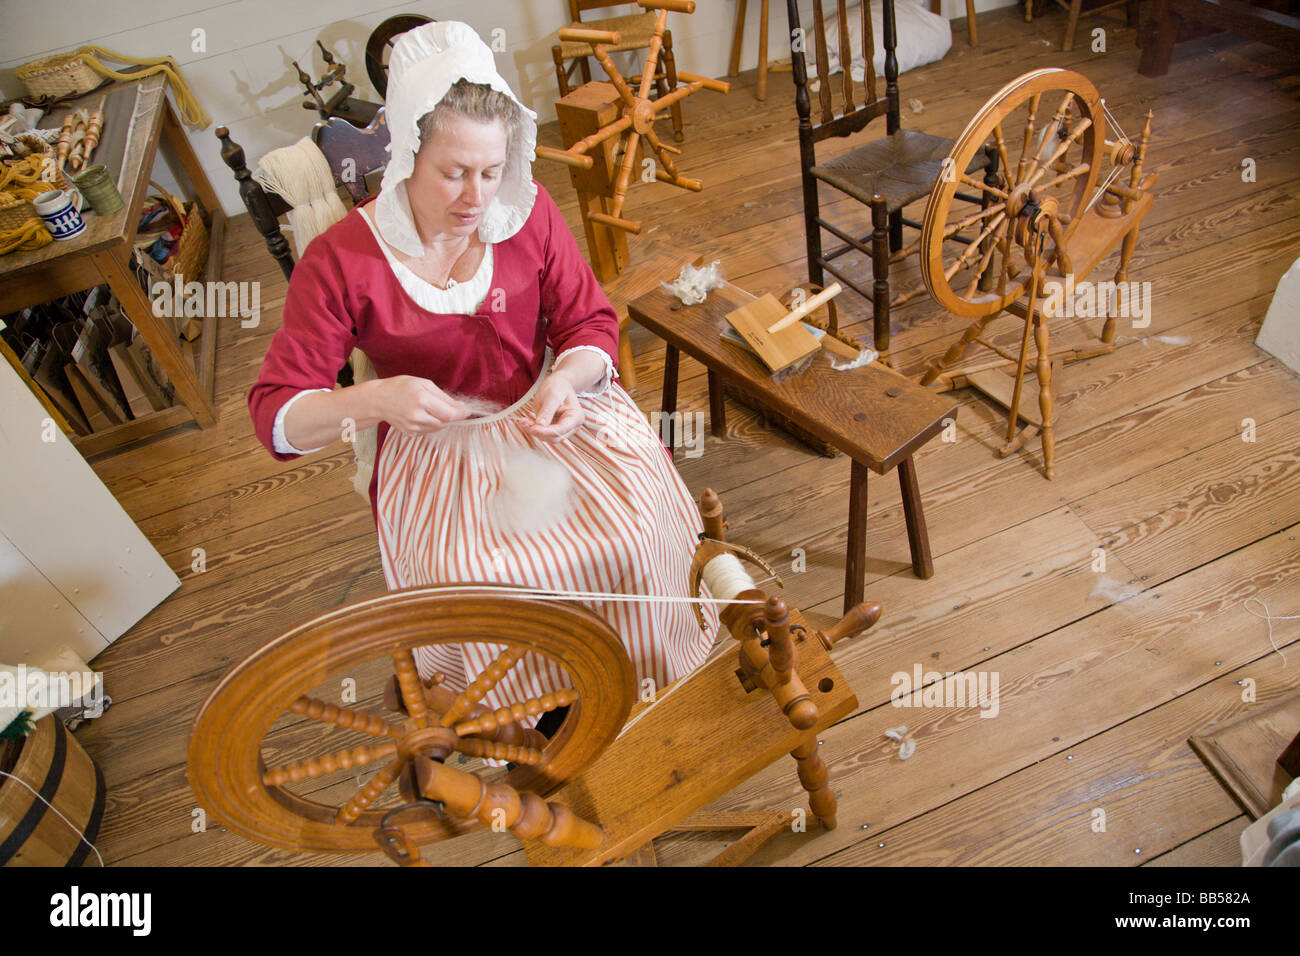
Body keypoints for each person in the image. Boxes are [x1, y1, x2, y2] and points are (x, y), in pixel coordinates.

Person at [248, 21, 719, 727]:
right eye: (453, 172)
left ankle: (639, 678)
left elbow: (589, 324)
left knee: (633, 529)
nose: (475, 197)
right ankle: (545, 712)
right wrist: (376, 396)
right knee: (486, 582)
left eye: (491, 171)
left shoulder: (524, 216)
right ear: (408, 152)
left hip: (554, 413)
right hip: (439, 449)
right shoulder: (345, 261)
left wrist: (567, 381)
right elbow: (276, 417)